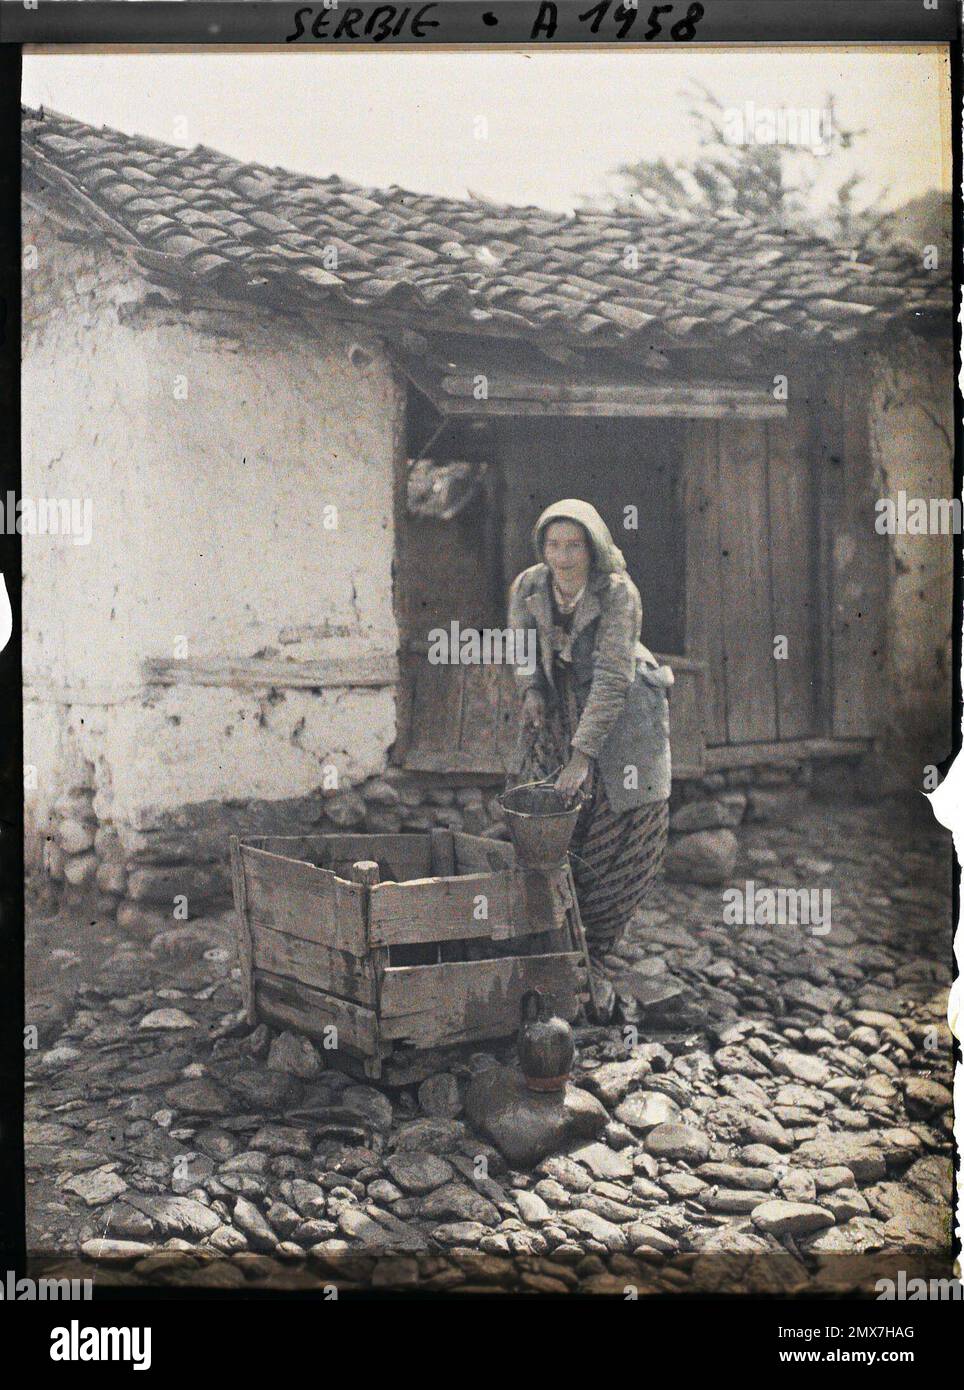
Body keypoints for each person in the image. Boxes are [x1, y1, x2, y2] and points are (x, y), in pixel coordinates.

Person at [507, 499, 673, 1021]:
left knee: (622, 824)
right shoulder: (529, 586)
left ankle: (594, 955)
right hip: (561, 702)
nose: (562, 556)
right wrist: (532, 688)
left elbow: (611, 679)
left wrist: (583, 755)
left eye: (573, 545)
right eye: (553, 544)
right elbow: (521, 648)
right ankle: (551, 941)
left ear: (593, 546)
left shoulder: (617, 592)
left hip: (624, 711)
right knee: (550, 811)